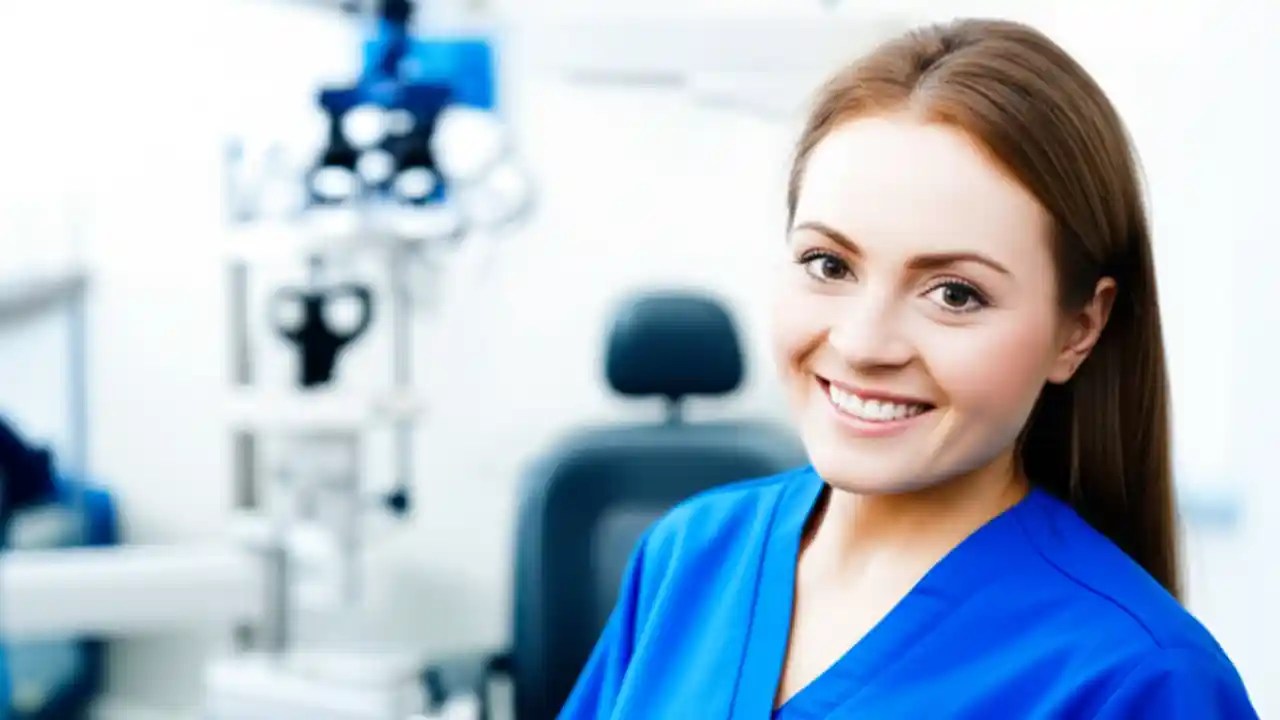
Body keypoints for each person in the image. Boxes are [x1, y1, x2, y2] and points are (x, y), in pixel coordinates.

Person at [557, 17, 1258, 720]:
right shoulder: (690, 555)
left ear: (1078, 330)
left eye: (955, 294)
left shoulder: (1141, 683)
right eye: (828, 264)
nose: (864, 344)